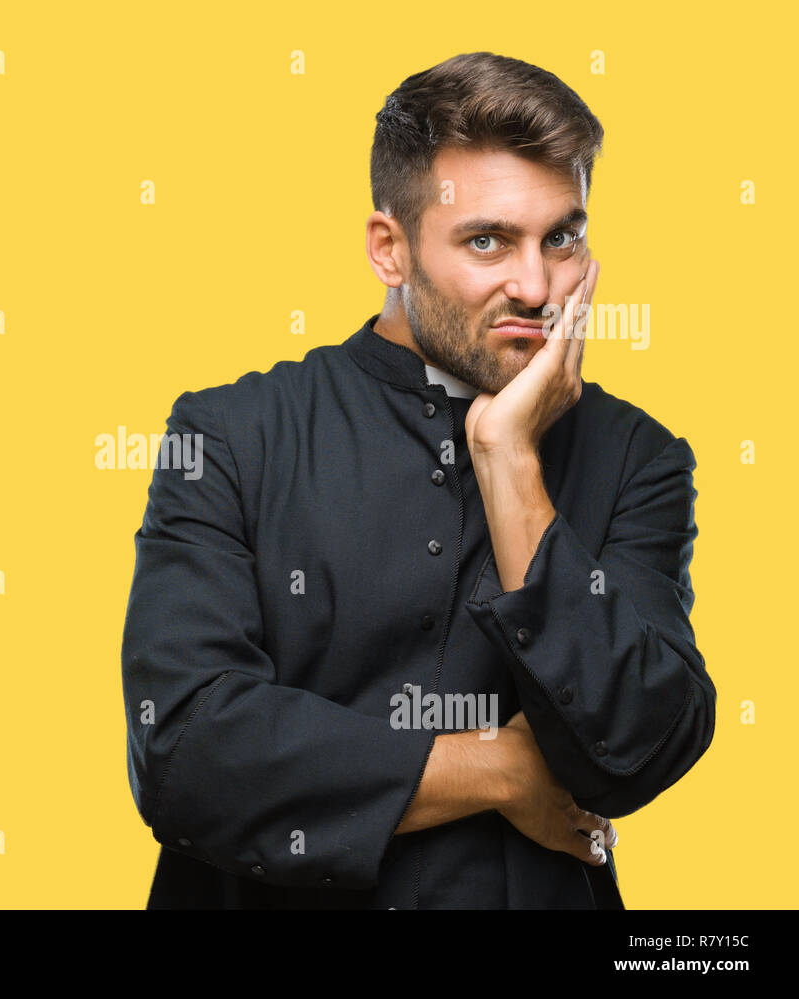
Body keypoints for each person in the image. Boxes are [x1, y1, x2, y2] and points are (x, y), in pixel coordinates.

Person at [119, 51, 715, 909]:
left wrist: (512, 461)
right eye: (487, 240)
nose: (537, 286)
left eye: (563, 237)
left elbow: (637, 746)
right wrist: (500, 769)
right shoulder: (231, 435)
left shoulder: (638, 457)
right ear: (389, 250)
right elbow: (184, 750)